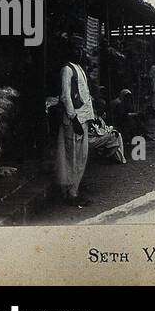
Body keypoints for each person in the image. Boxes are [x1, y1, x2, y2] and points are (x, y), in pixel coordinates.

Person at [55, 39, 94, 206]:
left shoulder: (79, 69)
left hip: (83, 118)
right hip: (74, 120)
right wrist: (74, 118)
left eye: (81, 49)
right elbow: (65, 96)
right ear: (69, 51)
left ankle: (75, 188)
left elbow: (84, 95)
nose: (79, 51)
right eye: (76, 48)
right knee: (72, 157)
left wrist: (89, 117)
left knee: (82, 156)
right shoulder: (67, 69)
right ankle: (71, 193)